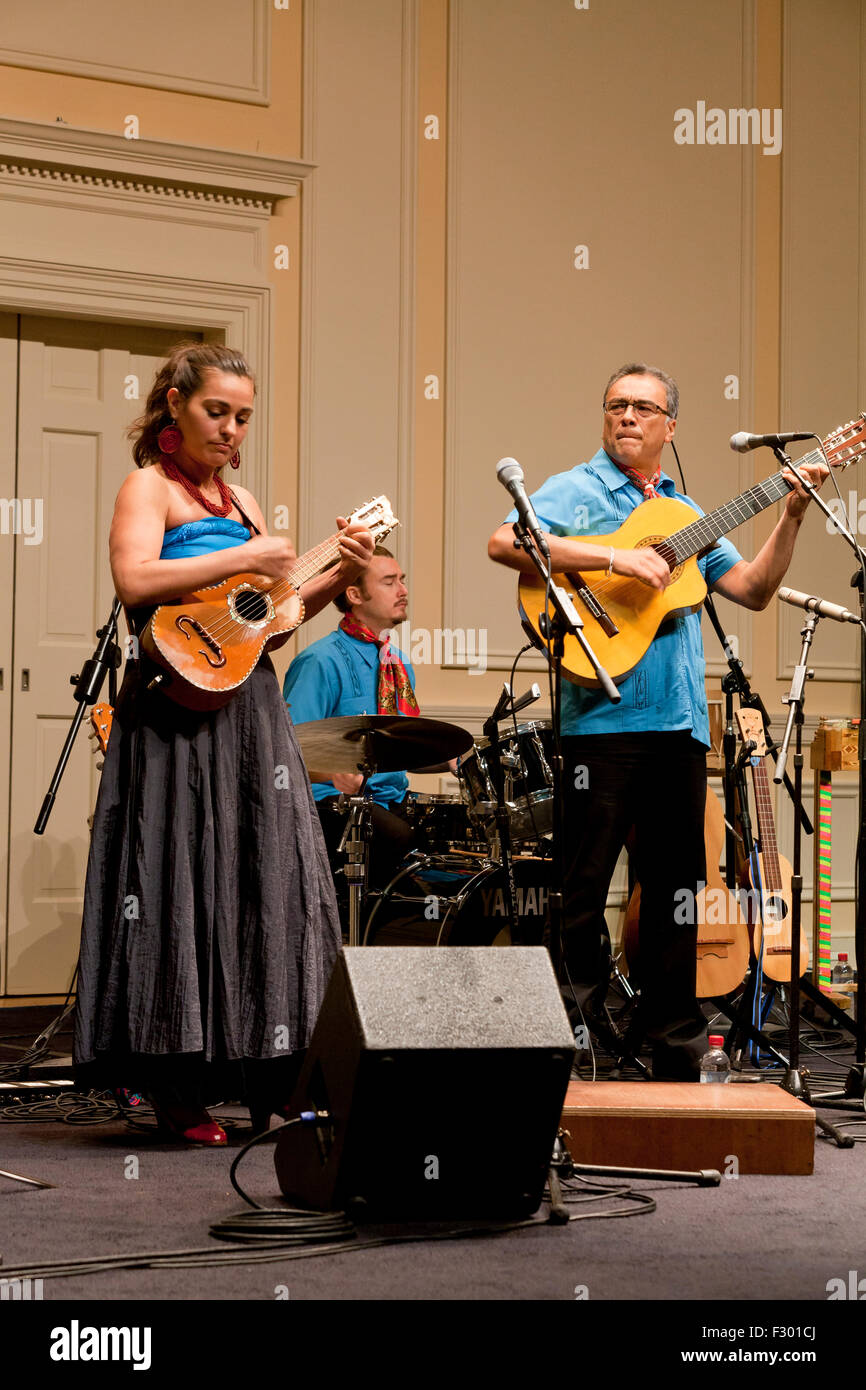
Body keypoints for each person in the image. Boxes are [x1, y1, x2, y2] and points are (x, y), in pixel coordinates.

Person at [488, 362, 828, 1079]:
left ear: (671, 427)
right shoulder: (574, 490)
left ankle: (670, 1041)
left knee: (676, 890)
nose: (627, 417)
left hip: (678, 730)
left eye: (644, 408)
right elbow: (506, 542)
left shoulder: (685, 510)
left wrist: (791, 514)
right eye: (617, 405)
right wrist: (616, 556)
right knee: (580, 889)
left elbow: (755, 591)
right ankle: (573, 1037)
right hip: (599, 728)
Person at [72, 343, 374, 1141]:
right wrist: (253, 556)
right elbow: (134, 582)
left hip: (249, 715)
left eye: (243, 416)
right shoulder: (149, 487)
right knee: (175, 880)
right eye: (217, 411)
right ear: (174, 404)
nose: (232, 429)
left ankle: (273, 1076)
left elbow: (267, 623)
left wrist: (337, 574)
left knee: (267, 881)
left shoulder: (241, 502)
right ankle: (178, 1087)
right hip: (173, 718)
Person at [282, 548, 419, 905]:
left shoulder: (398, 664)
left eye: (402, 579)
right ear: (354, 595)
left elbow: (403, 750)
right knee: (397, 836)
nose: (403, 590)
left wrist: (454, 756)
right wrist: (332, 776)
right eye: (389, 582)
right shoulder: (319, 661)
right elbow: (284, 753)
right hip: (331, 809)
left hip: (388, 801)